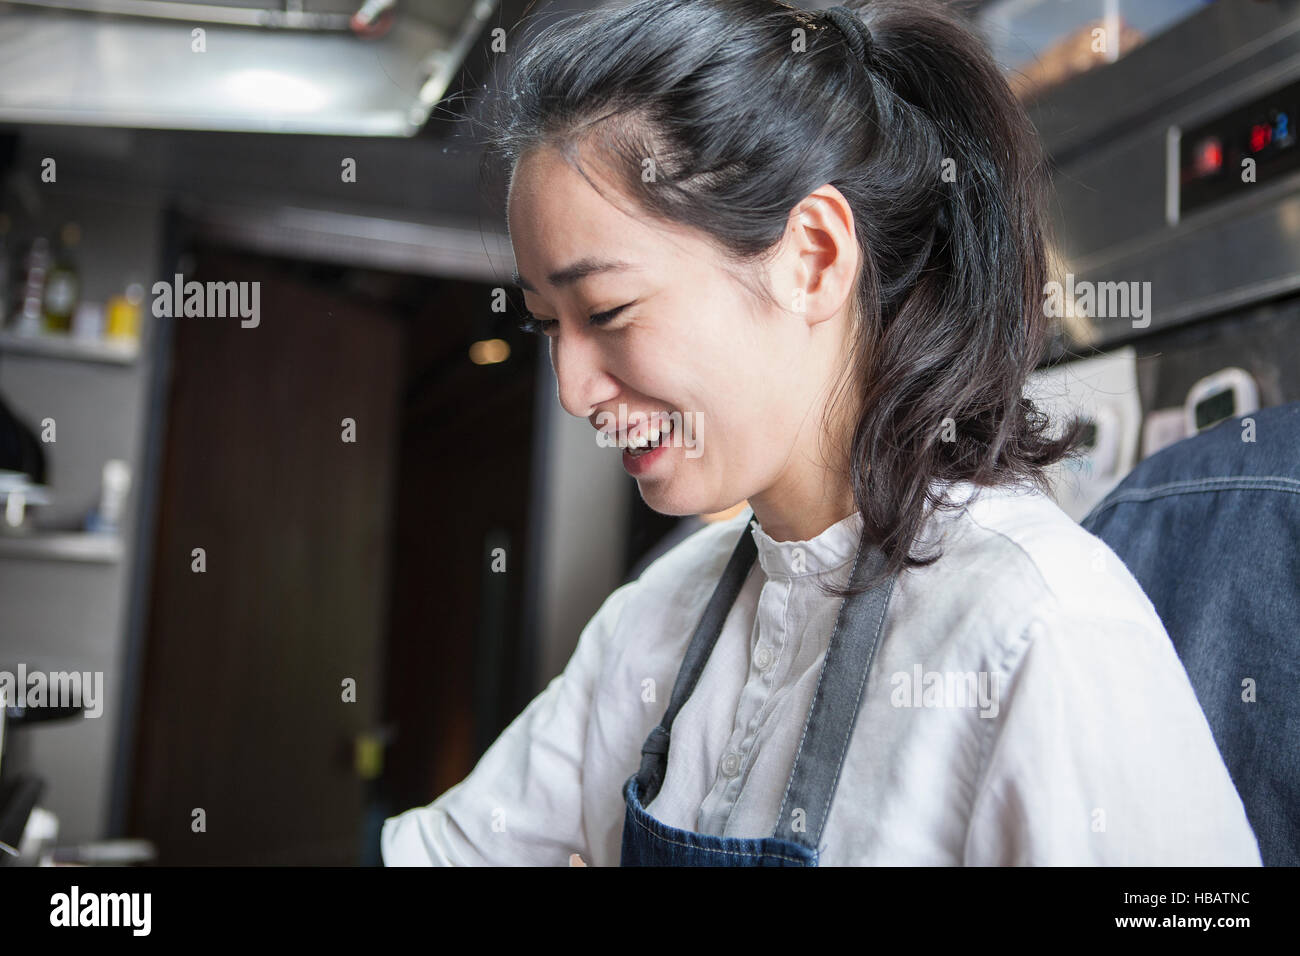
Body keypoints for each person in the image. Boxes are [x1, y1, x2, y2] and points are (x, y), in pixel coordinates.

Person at [381, 0, 1262, 865]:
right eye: (547, 324)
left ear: (813, 259)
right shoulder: (660, 616)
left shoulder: (1039, 626)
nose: (573, 389)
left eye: (608, 310)